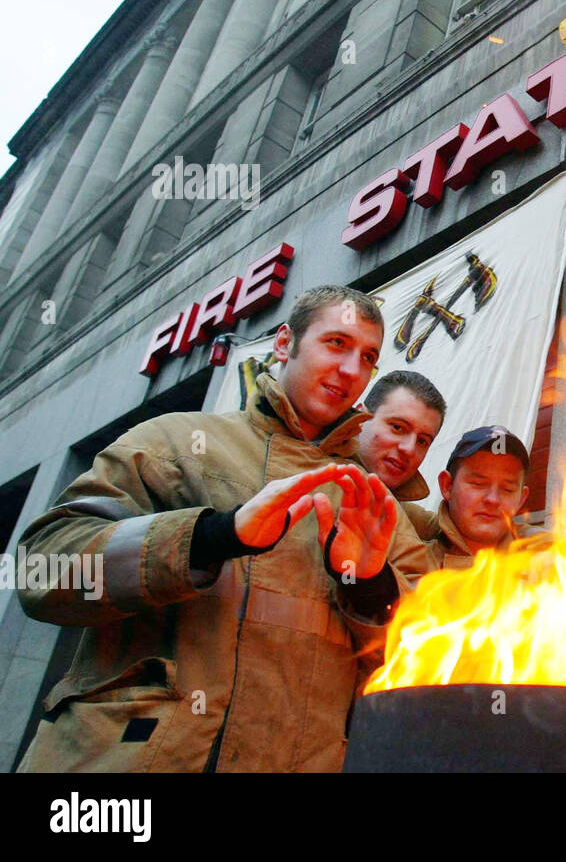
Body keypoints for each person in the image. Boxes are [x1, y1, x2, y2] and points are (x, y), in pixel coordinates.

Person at [16, 285, 428, 772]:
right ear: (283, 343)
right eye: (336, 343)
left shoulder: (375, 507)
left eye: (367, 357)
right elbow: (41, 571)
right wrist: (214, 537)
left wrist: (367, 585)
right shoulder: (174, 442)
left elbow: (422, 660)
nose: (350, 370)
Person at [420, 425, 533, 569]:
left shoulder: (551, 565)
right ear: (447, 485)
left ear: (521, 499)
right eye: (478, 484)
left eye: (507, 489)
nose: (493, 499)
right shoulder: (412, 563)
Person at [357, 370, 446, 497]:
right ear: (359, 418)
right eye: (397, 427)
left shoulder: (411, 516)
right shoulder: (319, 473)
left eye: (421, 441)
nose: (409, 449)